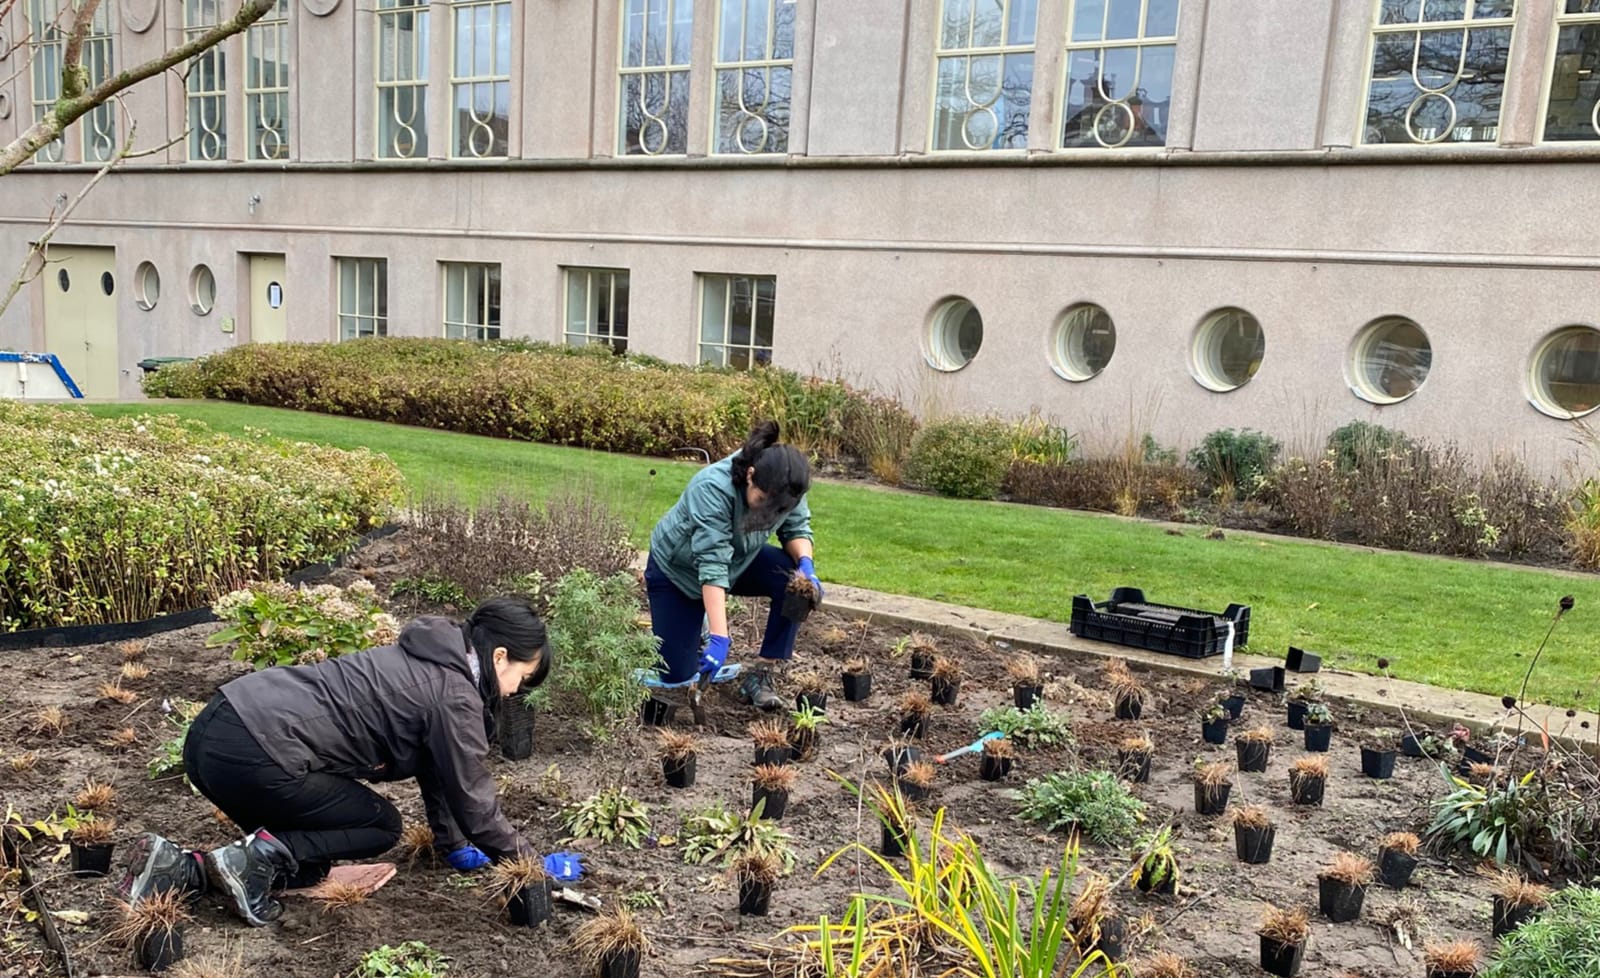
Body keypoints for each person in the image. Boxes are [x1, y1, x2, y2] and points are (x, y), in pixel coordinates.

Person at [118, 596, 552, 926]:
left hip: (214, 734)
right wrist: (529, 862)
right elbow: (475, 801)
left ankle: (176, 869)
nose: (515, 691)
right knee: (379, 825)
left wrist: (454, 845)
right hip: (255, 752)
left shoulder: (436, 657)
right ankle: (255, 860)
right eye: (522, 677)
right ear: (499, 657)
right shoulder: (454, 696)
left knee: (304, 865)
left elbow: (439, 769)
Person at [646, 420, 821, 709]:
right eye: (763, 501)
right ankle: (701, 626)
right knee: (677, 674)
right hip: (679, 572)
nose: (769, 512)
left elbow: (797, 529)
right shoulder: (713, 488)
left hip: (738, 561)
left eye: (777, 507)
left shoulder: (788, 486)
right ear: (750, 475)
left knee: (796, 584)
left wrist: (806, 565)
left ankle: (761, 674)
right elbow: (712, 564)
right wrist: (719, 636)